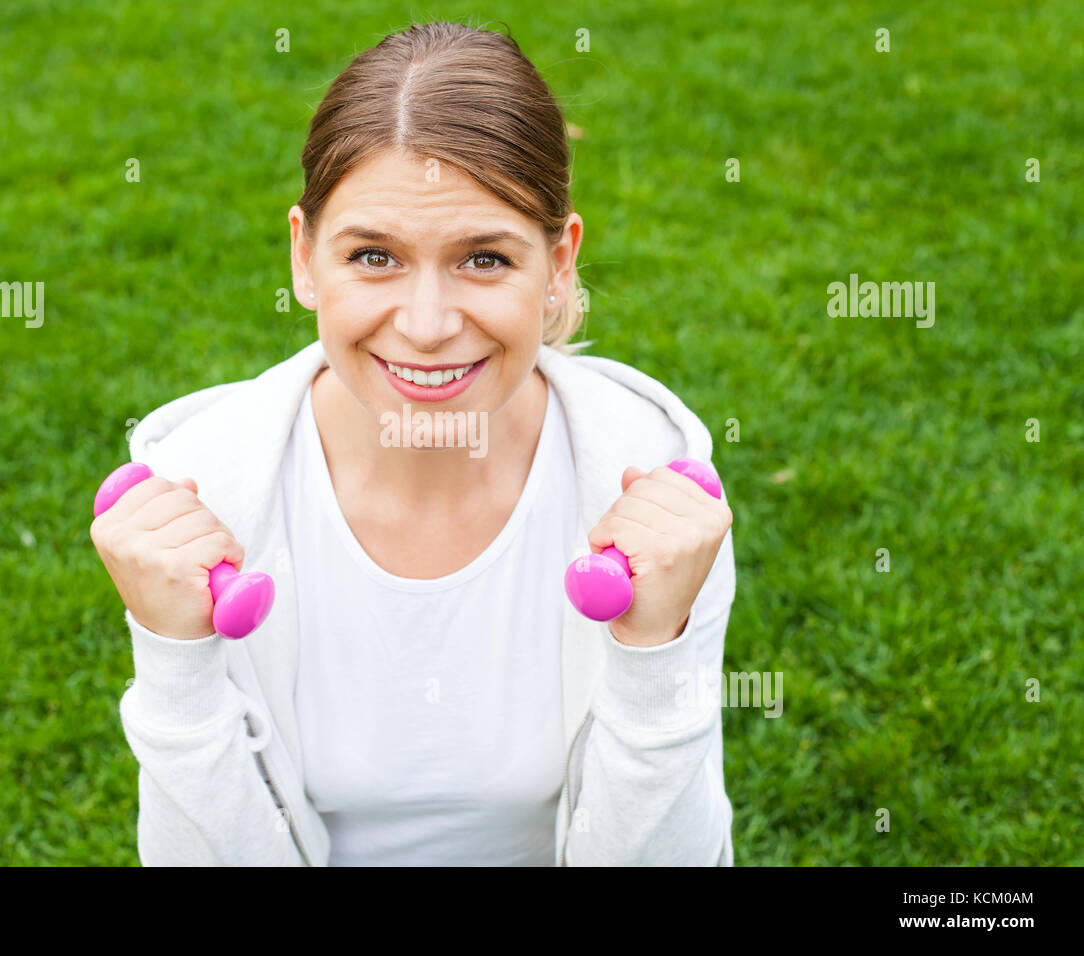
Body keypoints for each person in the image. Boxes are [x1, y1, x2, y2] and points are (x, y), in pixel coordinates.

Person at [90, 20, 736, 866]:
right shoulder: (203, 498)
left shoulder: (653, 489)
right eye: (374, 257)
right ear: (304, 256)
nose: (428, 326)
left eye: (484, 260)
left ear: (560, 264)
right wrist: (173, 665)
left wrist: (656, 658)